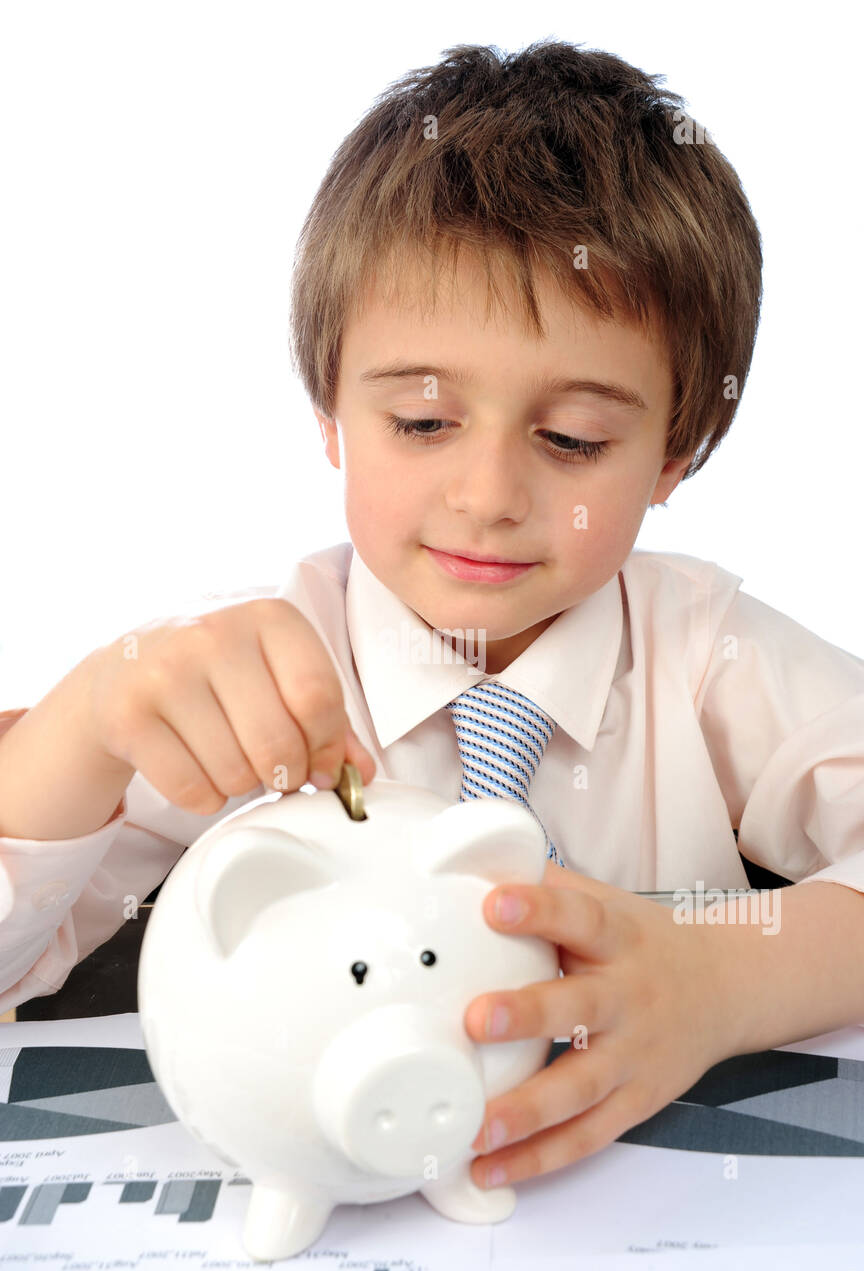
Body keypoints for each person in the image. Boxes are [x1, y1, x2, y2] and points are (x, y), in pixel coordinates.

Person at [1, 41, 863, 1194]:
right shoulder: (256, 676)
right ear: (329, 414)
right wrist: (82, 725)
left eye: (571, 441)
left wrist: (727, 976)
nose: (489, 496)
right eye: (420, 419)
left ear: (674, 452)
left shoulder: (707, 655)